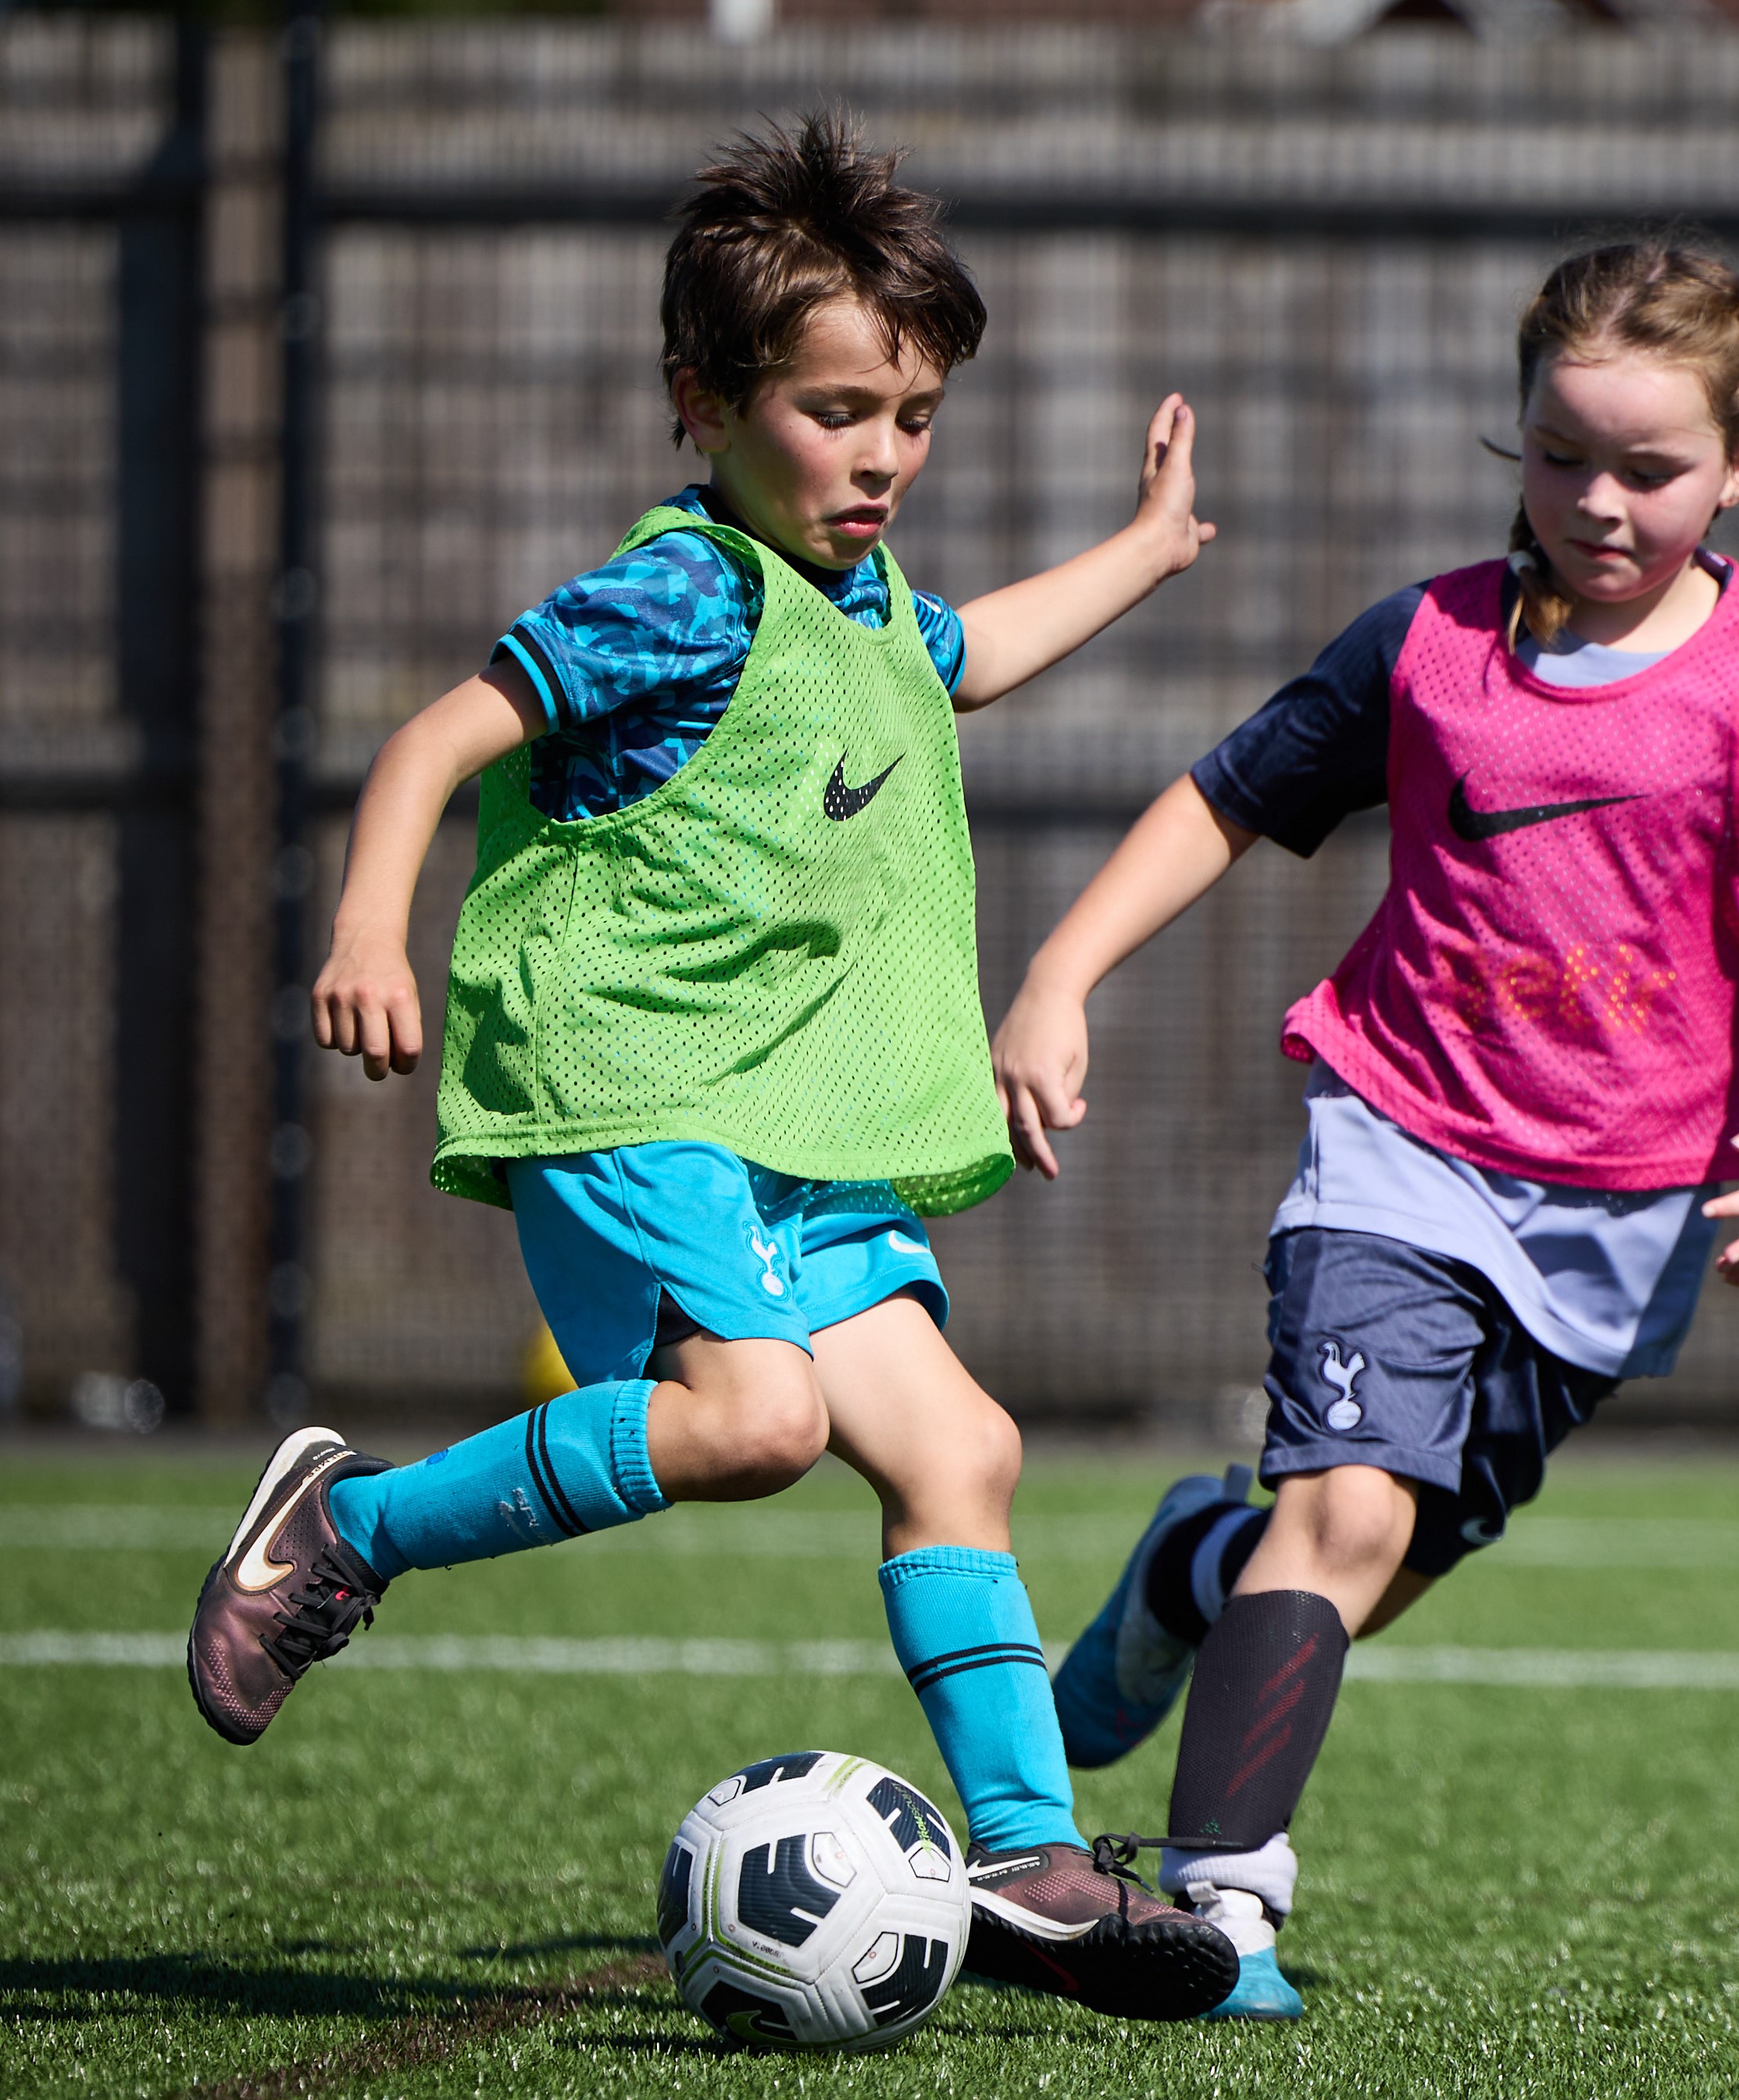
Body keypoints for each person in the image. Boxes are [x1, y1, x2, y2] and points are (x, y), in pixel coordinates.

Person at [186, 112, 1238, 2023]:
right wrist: (366, 930)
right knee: (752, 1424)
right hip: (638, 1085)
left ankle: (1028, 1858)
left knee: (962, 1449)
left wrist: (1152, 551)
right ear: (705, 400)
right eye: (841, 412)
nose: (884, 458)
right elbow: (435, 740)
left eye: (914, 417)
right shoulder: (676, 596)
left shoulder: (863, 611)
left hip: (794, 1120)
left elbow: (968, 659)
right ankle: (345, 1530)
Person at [991, 242, 1739, 2020]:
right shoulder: (1426, 649)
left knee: (1374, 1559)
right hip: (1397, 1153)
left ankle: (1188, 1574)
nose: (1602, 501)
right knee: (1343, 1511)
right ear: (1519, 440)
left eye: (1651, 468)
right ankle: (1217, 1912)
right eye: (1564, 456)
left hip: (1617, 1219)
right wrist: (1059, 971)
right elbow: (1229, 795)